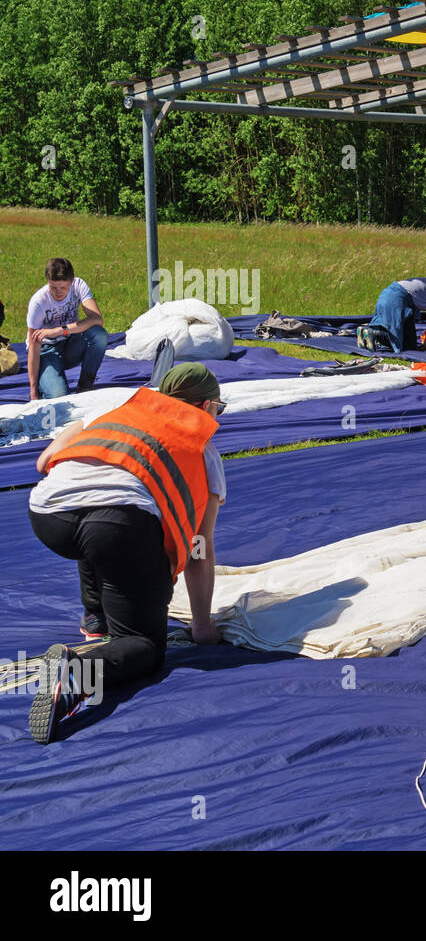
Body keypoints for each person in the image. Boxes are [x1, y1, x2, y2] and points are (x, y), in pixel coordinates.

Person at [26, 363, 228, 744]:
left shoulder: (110, 413)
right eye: (219, 407)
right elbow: (199, 548)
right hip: (116, 529)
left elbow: (42, 463)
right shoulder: (202, 448)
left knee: (96, 530)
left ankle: (96, 617)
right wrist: (202, 627)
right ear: (204, 406)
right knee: (146, 645)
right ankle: (76, 674)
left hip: (48, 516)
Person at [26, 257, 109, 400]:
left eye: (63, 287)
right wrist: (33, 390)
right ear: (48, 282)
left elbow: (97, 319)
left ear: (72, 282)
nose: (58, 292)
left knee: (99, 334)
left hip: (70, 342)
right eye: (53, 287)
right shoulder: (38, 302)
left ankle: (85, 385)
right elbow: (34, 346)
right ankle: (44, 379)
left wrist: (60, 330)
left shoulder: (79, 285)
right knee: (60, 397)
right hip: (46, 351)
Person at [361, 262, 426, 352]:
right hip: (397, 300)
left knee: (407, 342)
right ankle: (374, 334)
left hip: (387, 294)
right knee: (404, 344)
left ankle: (369, 334)